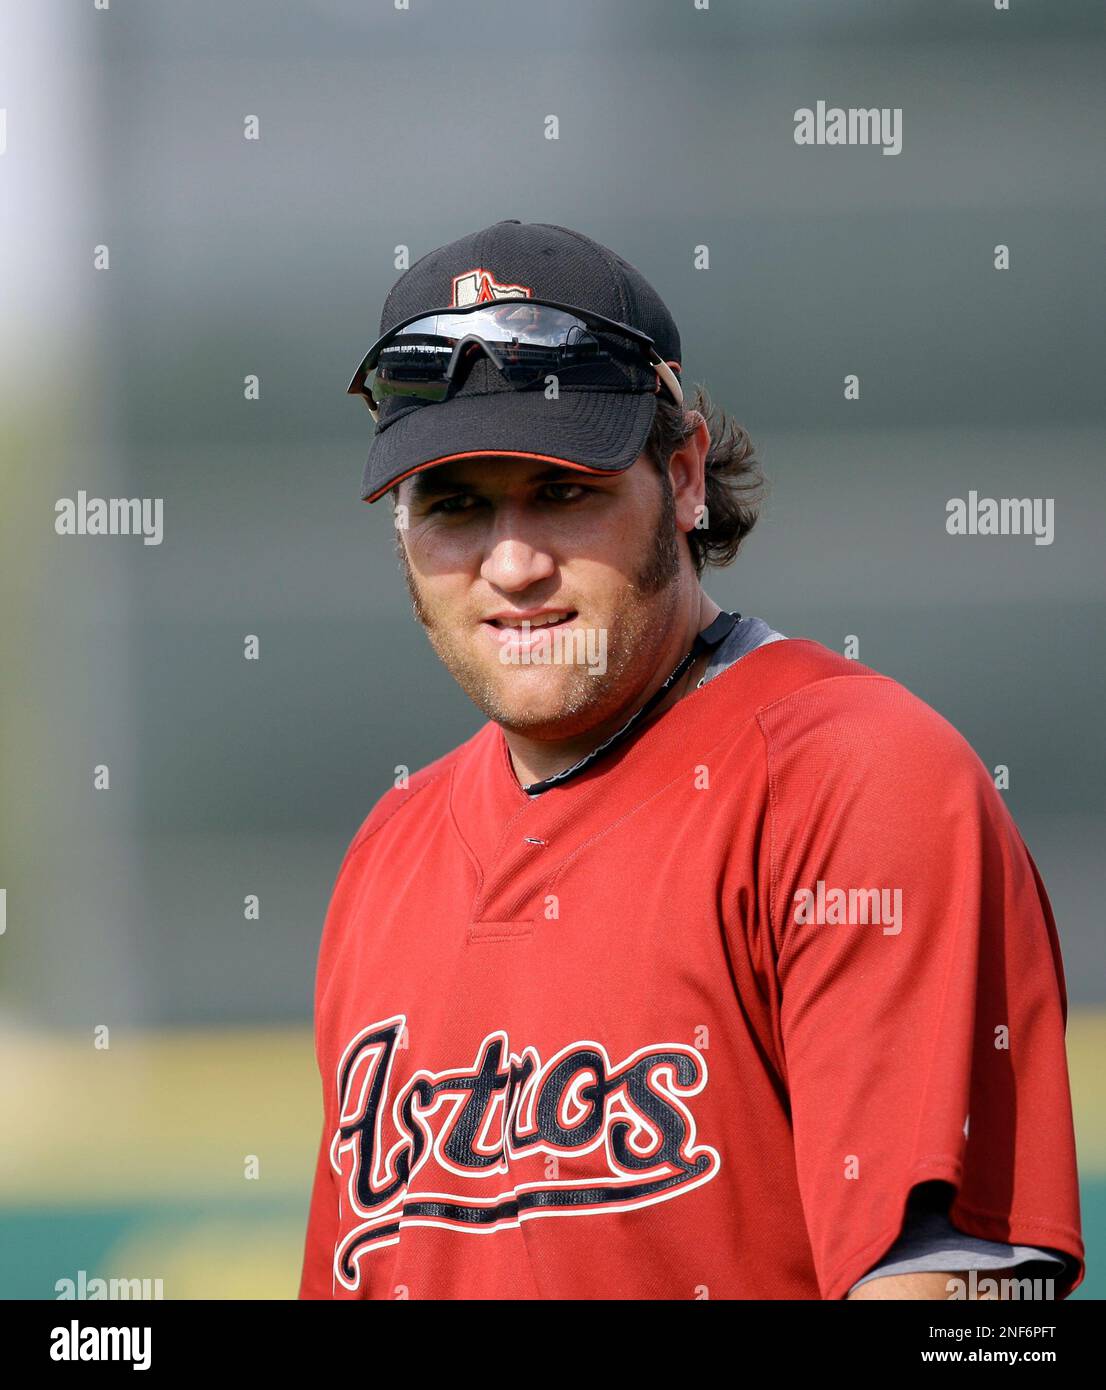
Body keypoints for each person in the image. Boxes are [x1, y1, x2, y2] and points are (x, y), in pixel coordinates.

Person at [298, 219, 1084, 1300]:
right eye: (455, 507)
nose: (512, 562)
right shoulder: (388, 852)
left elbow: (961, 1303)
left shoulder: (855, 781)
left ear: (680, 476)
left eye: (562, 490)